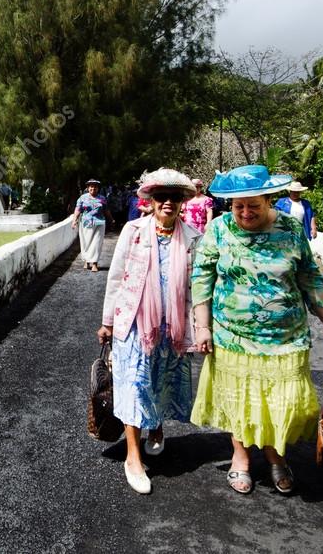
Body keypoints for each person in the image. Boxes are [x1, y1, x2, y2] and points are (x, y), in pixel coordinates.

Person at [190, 165, 323, 495]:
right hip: (233, 336)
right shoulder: (218, 230)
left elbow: (310, 278)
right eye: (238, 206)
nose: (245, 213)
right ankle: (240, 458)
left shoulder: (290, 229)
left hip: (285, 337)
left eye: (254, 206)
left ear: (269, 200)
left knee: (280, 400)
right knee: (240, 399)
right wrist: (202, 326)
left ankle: (276, 456)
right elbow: (202, 278)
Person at [97, 168, 202, 495]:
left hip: (173, 327)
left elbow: (197, 287)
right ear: (151, 201)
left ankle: (156, 426)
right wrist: (107, 322)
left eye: (175, 197)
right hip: (134, 324)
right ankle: (133, 456)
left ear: (183, 201)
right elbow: (116, 278)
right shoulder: (134, 231)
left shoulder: (194, 237)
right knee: (135, 385)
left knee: (162, 382)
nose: (168, 202)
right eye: (161, 197)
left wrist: (201, 327)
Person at [72, 179, 114, 272]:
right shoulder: (82, 198)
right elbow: (78, 209)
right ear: (88, 188)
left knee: (97, 242)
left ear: (98, 188)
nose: (93, 188)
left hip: (99, 222)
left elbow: (106, 210)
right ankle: (87, 260)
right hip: (86, 223)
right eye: (91, 186)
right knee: (86, 242)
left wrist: (111, 220)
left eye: (95, 186)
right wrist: (74, 220)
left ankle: (94, 263)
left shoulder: (102, 198)